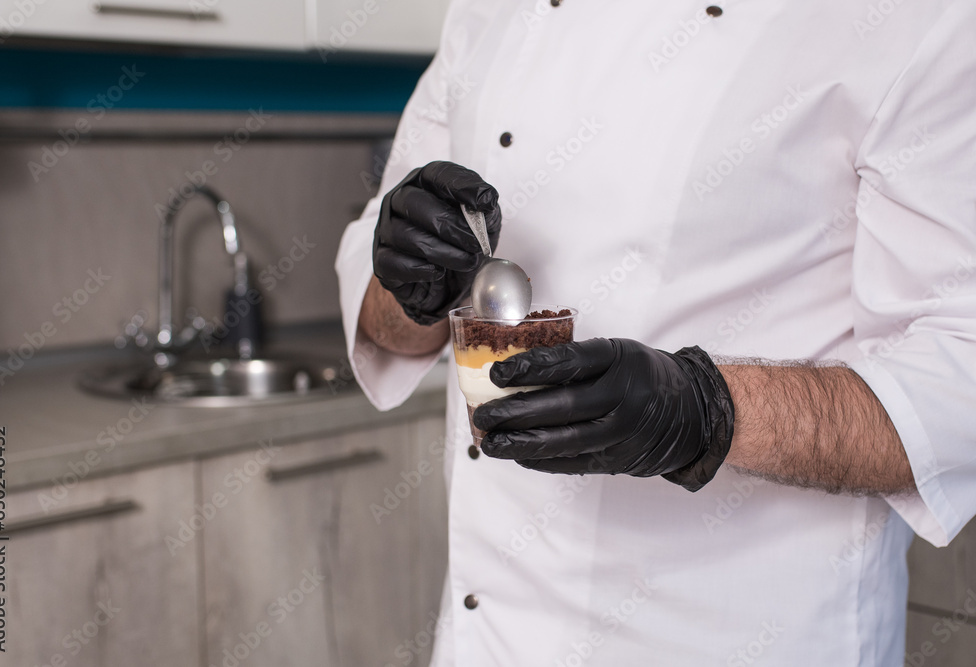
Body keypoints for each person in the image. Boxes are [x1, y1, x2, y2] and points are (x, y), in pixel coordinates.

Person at [335, 0, 976, 664]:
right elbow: (388, 330)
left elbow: (961, 375)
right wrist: (407, 281)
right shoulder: (486, 12)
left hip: (745, 637)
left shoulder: (914, 17)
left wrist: (706, 411)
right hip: (491, 637)